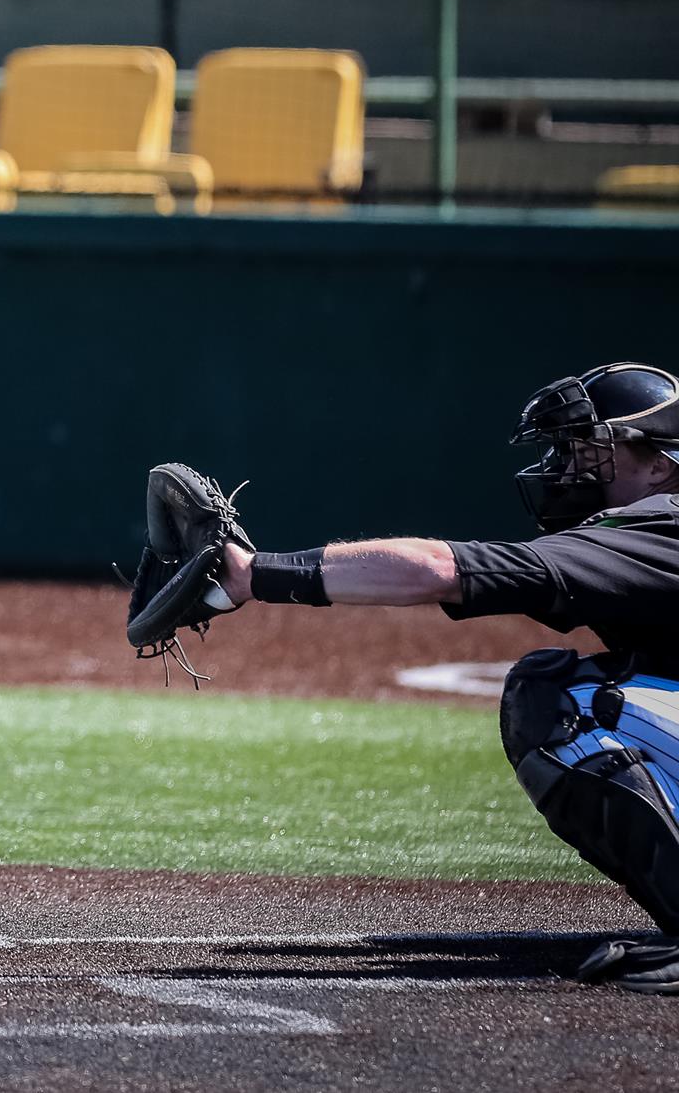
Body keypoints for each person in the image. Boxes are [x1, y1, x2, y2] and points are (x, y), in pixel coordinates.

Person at [208, 361, 679, 992]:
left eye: (588, 450)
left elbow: (438, 569)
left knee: (563, 702)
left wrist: (252, 573)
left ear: (659, 461)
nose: (568, 470)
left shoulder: (660, 521)